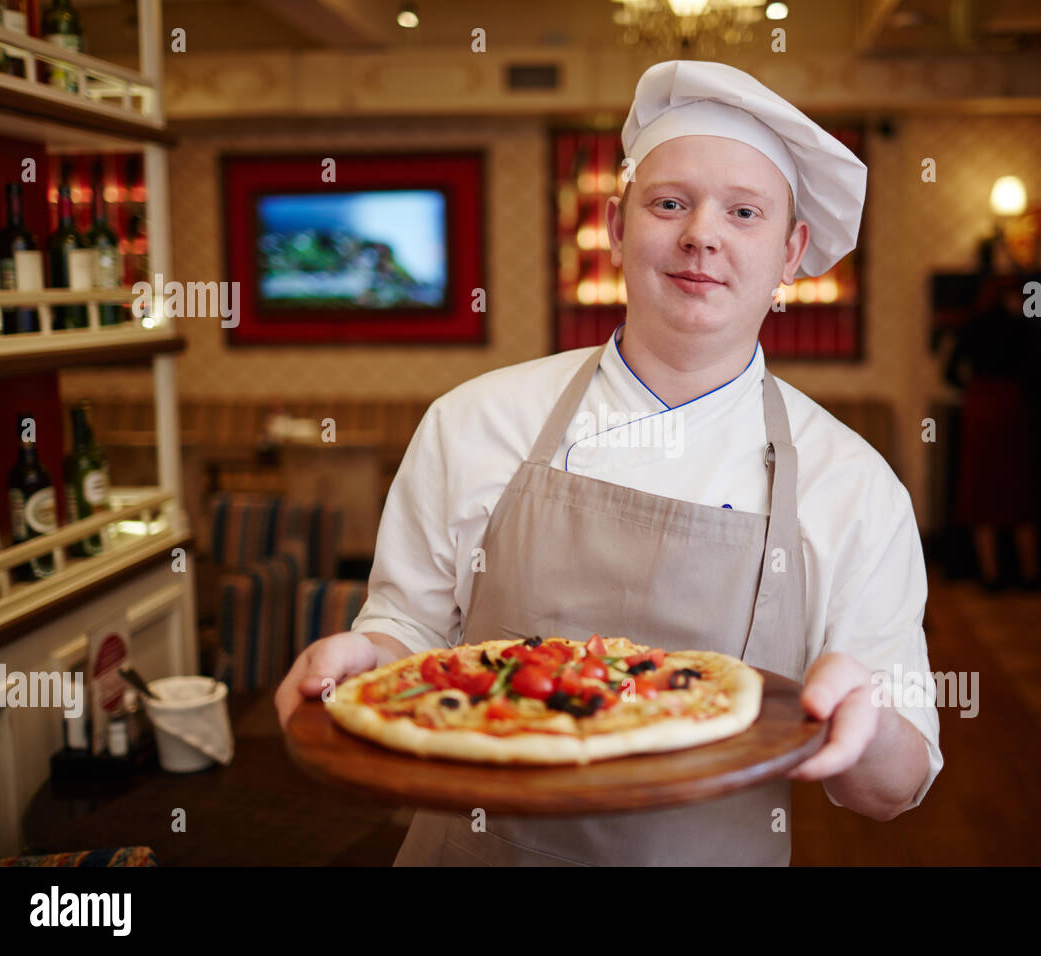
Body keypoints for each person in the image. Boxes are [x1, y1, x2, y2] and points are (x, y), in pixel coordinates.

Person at [275, 59, 943, 866]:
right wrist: (363, 657)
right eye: (669, 203)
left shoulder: (856, 486)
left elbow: (891, 789)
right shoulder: (474, 421)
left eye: (744, 211)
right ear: (619, 229)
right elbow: (409, 638)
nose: (702, 233)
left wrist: (858, 713)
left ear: (791, 253)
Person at [944, 276, 1041, 590]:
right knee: (1018, 491)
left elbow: (949, 372)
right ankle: (1029, 574)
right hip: (1012, 407)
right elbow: (1035, 373)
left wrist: (971, 390)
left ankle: (991, 576)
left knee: (980, 492)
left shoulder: (971, 326)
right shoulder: (1020, 328)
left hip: (980, 408)